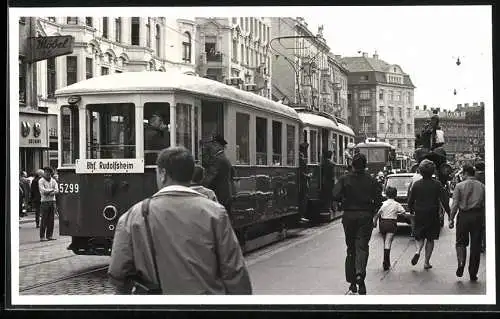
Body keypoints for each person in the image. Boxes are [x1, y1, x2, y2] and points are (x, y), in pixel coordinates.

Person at [108, 146, 252, 294]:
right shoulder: (215, 213)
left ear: (163, 174)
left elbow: (118, 272)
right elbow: (234, 271)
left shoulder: (133, 215)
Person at [332, 153, 383, 295]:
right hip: (365, 216)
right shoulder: (371, 180)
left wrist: (341, 203)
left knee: (351, 248)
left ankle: (352, 282)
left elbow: (335, 195)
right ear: (365, 165)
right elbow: (379, 200)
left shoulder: (344, 179)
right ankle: (360, 275)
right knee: (362, 247)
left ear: (352, 165)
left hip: (349, 216)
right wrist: (373, 212)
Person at [407, 159, 450, 269]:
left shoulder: (416, 185)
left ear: (420, 171)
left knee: (419, 235)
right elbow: (444, 200)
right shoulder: (437, 184)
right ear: (433, 172)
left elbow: (410, 200)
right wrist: (449, 215)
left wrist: (411, 210)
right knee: (430, 238)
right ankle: (426, 262)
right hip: (432, 213)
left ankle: (417, 251)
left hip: (420, 212)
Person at [449, 165, 485, 281]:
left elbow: (454, 204)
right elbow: (485, 205)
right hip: (478, 216)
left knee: (460, 242)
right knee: (476, 246)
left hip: (464, 216)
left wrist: (451, 219)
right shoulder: (482, 186)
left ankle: (461, 263)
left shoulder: (459, 186)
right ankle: (473, 273)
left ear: (465, 173)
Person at [373, 186, 405, 271]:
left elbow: (377, 214)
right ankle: (386, 262)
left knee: (385, 242)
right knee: (388, 242)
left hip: (383, 223)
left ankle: (386, 261)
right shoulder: (397, 204)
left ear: (386, 195)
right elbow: (403, 212)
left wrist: (375, 222)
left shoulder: (383, 204)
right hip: (391, 223)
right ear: (396, 195)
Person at [202, 135, 234, 215]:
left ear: (217, 145)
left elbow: (210, 177)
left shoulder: (217, 160)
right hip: (225, 196)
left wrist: (199, 187)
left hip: (219, 197)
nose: (211, 148)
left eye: (213, 145)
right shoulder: (223, 158)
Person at [38, 167, 59, 241]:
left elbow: (57, 190)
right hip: (44, 202)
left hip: (52, 201)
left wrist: (49, 192)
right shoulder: (41, 181)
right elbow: (43, 191)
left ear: (50, 173)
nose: (46, 174)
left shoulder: (53, 181)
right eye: (45, 172)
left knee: (51, 220)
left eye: (48, 172)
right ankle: (42, 236)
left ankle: (49, 235)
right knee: (44, 219)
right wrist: (52, 191)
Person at [474, 161, 485, 253]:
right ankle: (483, 244)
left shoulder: (474, 177)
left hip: (476, 204)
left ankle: (479, 244)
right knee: (484, 226)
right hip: (485, 203)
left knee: (478, 226)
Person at [320, 150, 335, 217]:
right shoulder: (332, 164)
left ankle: (325, 208)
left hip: (323, 181)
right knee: (329, 195)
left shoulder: (322, 163)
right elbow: (332, 174)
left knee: (325, 195)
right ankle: (329, 208)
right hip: (329, 182)